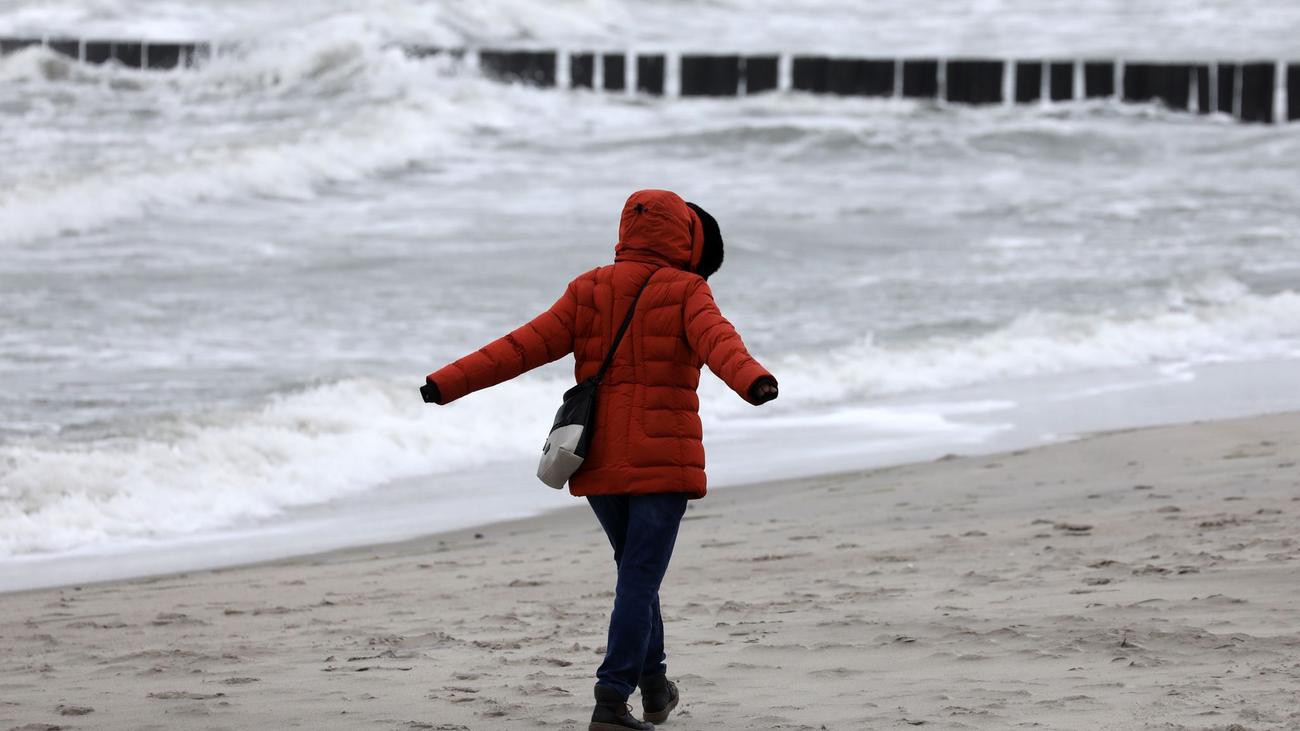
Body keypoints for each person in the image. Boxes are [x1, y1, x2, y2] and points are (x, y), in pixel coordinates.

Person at [420, 189, 778, 730]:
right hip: (662, 460)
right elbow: (719, 342)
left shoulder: (588, 289)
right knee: (638, 577)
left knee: (637, 575)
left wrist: (445, 383)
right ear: (685, 238)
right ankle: (611, 700)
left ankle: (655, 686)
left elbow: (520, 346)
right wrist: (754, 381)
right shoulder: (687, 291)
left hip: (599, 457)